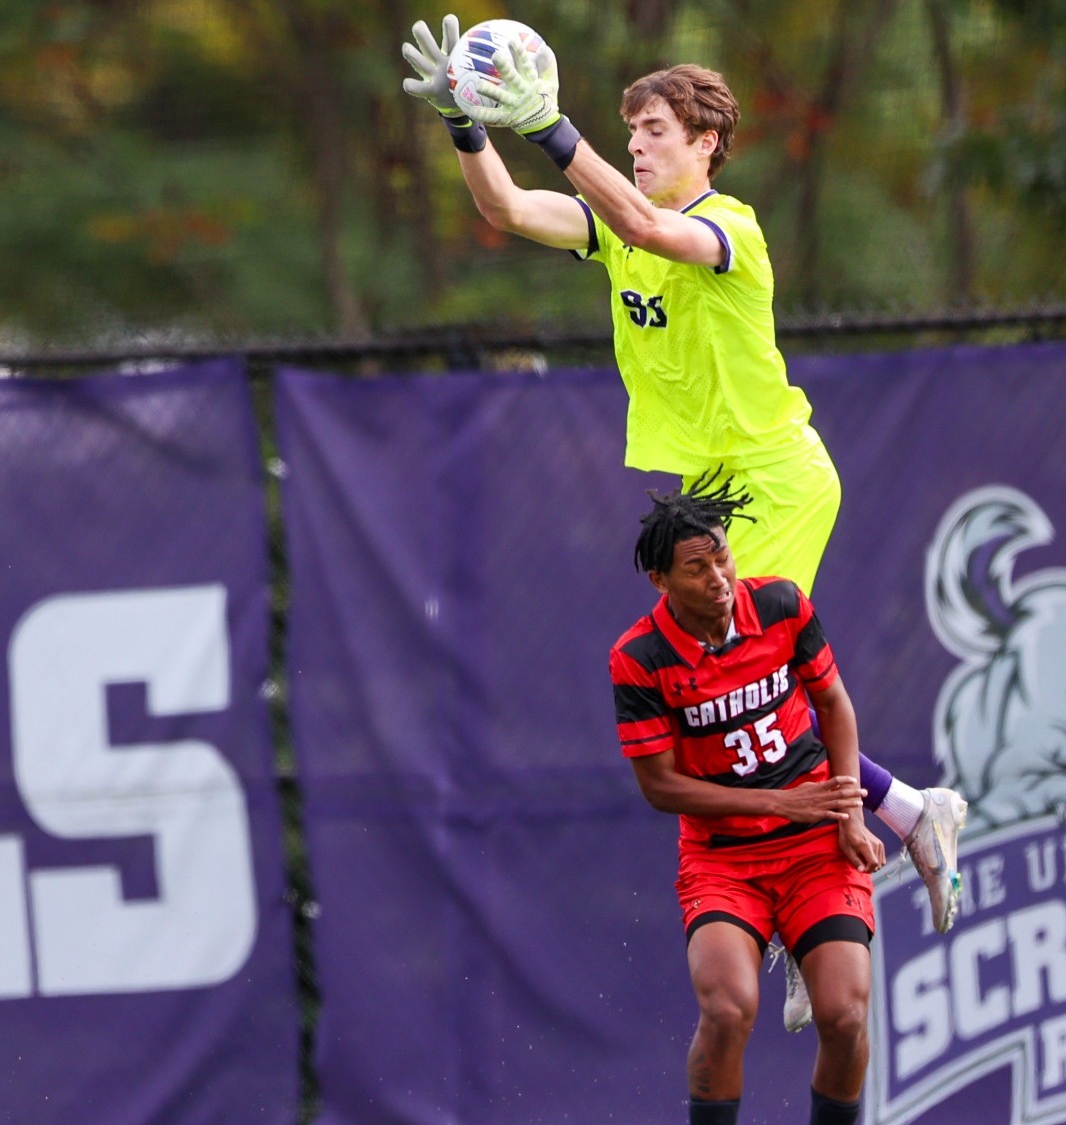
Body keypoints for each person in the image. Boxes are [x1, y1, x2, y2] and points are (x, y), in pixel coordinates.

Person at [399, 17, 966, 983]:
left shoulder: (727, 228)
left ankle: (852, 875)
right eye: (631, 132)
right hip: (713, 496)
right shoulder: (616, 232)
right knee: (732, 688)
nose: (637, 144)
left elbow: (648, 226)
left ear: (706, 142)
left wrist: (547, 125)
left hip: (776, 476)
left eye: (655, 129)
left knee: (749, 675)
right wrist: (466, 122)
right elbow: (507, 208)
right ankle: (906, 816)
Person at [609, 477, 878, 1125]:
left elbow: (834, 704)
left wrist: (850, 814)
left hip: (816, 846)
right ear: (660, 581)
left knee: (845, 1014)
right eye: (696, 568)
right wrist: (778, 805)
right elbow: (659, 786)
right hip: (724, 859)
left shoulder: (782, 604)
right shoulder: (638, 657)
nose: (718, 578)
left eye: (722, 556)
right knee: (728, 1010)